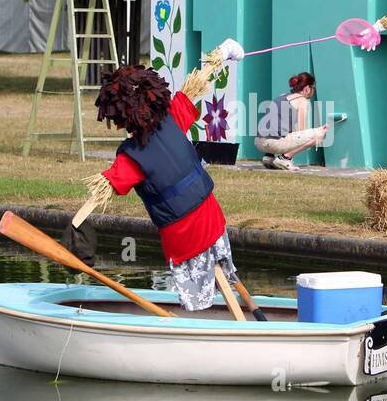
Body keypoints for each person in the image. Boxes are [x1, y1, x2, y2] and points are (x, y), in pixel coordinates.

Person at [82, 38, 246, 311]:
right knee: (223, 272)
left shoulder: (131, 157)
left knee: (195, 298)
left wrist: (77, 222)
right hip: (211, 216)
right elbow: (195, 85)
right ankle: (248, 311)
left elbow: (104, 189)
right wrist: (223, 52)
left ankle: (205, 326)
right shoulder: (173, 115)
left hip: (183, 235)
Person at [254, 72, 329, 171]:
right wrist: (319, 130)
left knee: (281, 130)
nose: (313, 90)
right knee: (318, 135)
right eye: (313, 88)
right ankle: (285, 158)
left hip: (258, 142)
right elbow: (303, 132)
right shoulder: (303, 101)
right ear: (307, 88)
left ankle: (268, 157)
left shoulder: (282, 96)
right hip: (273, 144)